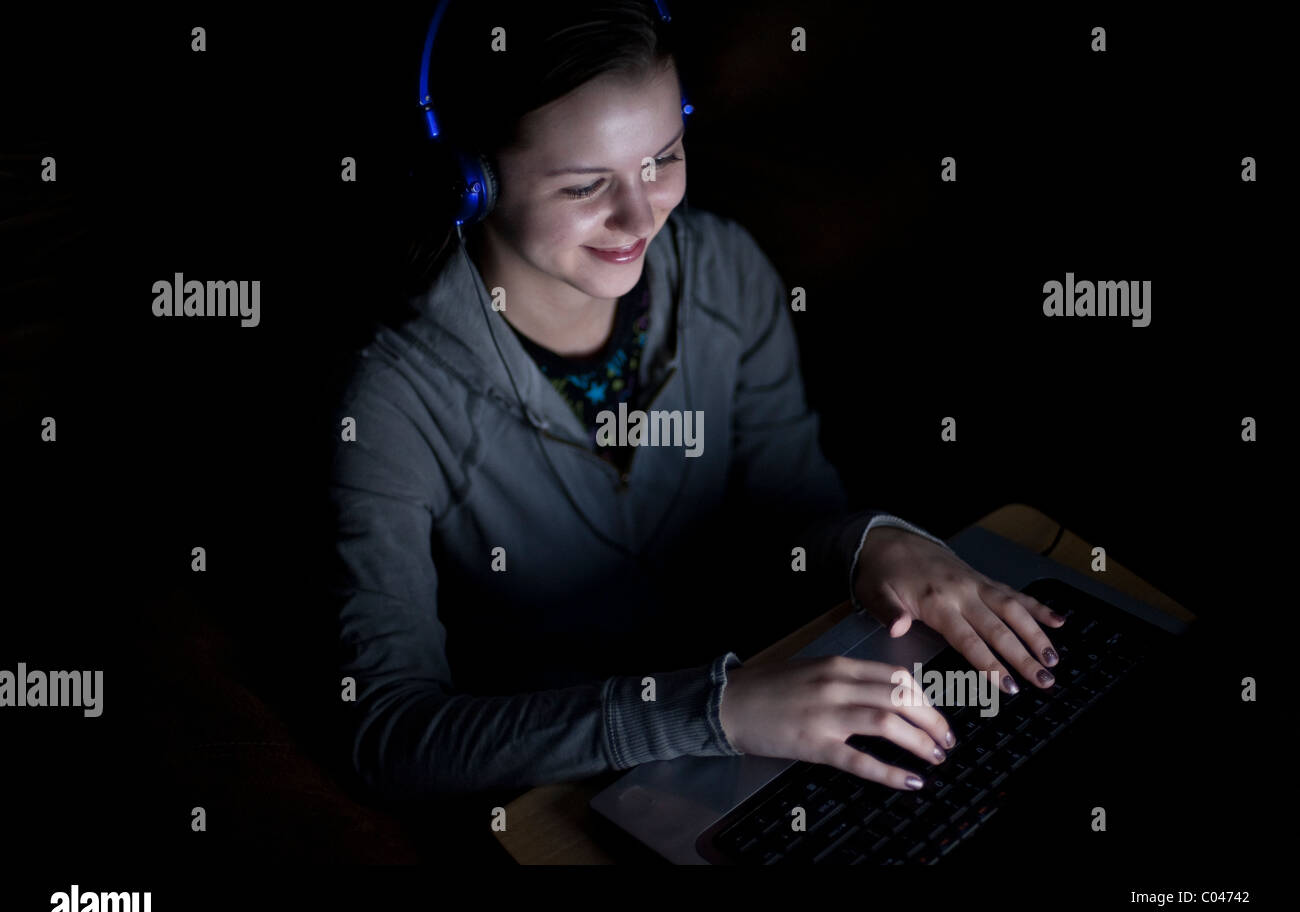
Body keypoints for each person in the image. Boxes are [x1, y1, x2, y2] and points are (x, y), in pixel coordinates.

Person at [327, 0, 1066, 812]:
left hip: (765, 729)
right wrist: (709, 710)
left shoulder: (724, 273)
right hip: (566, 790)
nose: (641, 218)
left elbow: (790, 512)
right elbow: (387, 733)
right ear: (468, 183)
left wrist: (874, 542)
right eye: (584, 185)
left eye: (663, 158)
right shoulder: (388, 399)